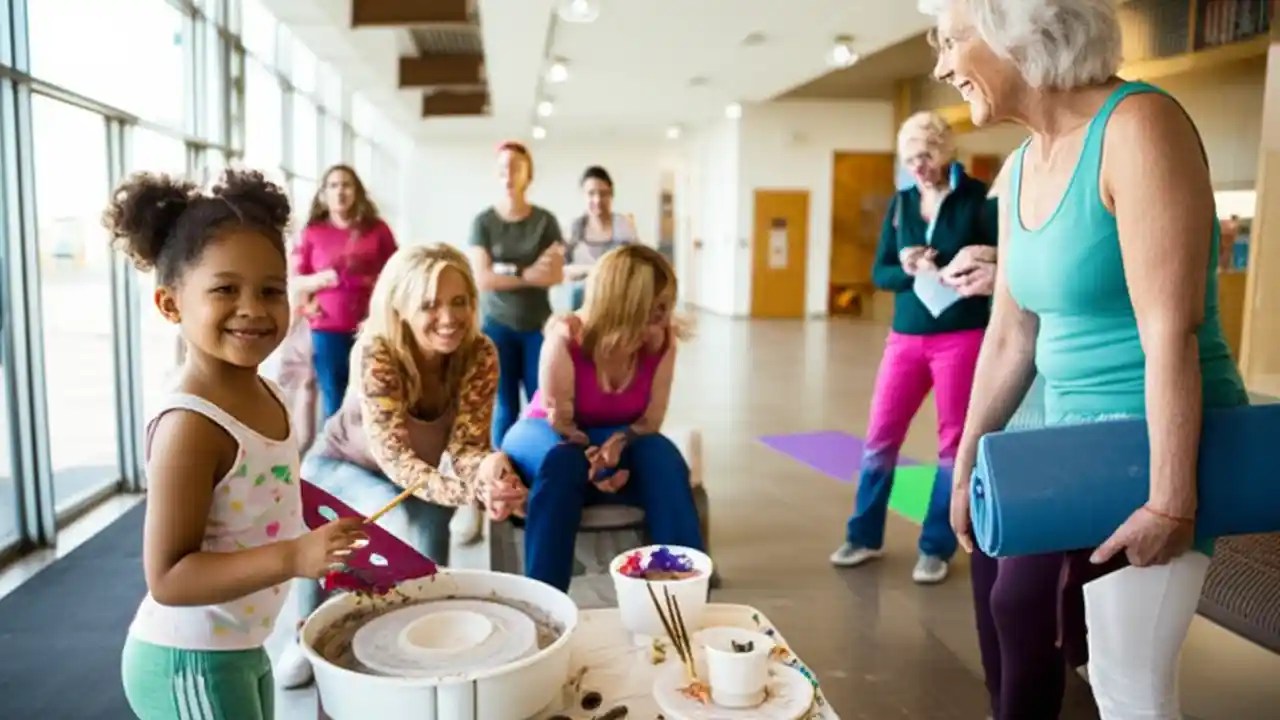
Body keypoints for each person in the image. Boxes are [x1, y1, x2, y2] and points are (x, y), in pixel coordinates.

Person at [927, 1, 1249, 718]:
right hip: (1071, 444)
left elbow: (1171, 330)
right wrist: (967, 461)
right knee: (1017, 605)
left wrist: (1172, 500)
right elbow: (1011, 335)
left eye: (952, 41)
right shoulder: (1017, 169)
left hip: (1154, 444)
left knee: (1125, 676)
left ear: (1021, 31)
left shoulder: (1138, 126)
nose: (943, 66)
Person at [106, 169, 366, 720]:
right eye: (225, 289)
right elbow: (170, 577)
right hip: (189, 657)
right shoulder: (191, 425)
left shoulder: (269, 394)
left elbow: (265, 506)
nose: (253, 308)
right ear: (170, 304)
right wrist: (295, 557)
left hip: (243, 646)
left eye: (271, 290)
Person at [275, 243, 527, 688]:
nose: (448, 317)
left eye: (459, 302)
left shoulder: (480, 354)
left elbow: (467, 447)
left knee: (425, 576)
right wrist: (473, 492)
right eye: (430, 304)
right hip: (341, 466)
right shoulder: (377, 351)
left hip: (420, 480)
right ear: (401, 306)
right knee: (397, 524)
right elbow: (395, 459)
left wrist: (488, 471)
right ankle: (305, 635)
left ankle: (418, 650)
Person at [830, 111, 997, 585]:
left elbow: (1001, 257)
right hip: (905, 336)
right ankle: (862, 535)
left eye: (925, 156)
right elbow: (879, 273)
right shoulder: (901, 204)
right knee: (880, 435)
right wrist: (907, 266)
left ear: (944, 152)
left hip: (960, 335)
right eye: (909, 160)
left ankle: (936, 545)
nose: (918, 167)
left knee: (951, 443)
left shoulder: (975, 199)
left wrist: (972, 263)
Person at [499, 245, 704, 592]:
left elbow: (649, 422)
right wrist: (604, 466)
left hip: (616, 433)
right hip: (549, 431)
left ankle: (684, 589)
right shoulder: (567, 335)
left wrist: (620, 445)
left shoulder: (662, 339)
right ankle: (545, 600)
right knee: (563, 463)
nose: (663, 318)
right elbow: (560, 422)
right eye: (653, 309)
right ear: (623, 304)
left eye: (666, 306)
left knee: (663, 457)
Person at [468, 141, 566, 447]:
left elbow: (554, 274)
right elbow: (482, 278)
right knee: (504, 407)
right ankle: (503, 471)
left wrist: (505, 272)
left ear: (528, 174)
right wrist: (527, 273)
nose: (509, 174)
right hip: (496, 327)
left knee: (543, 403)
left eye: (516, 167)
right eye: (503, 168)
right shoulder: (483, 222)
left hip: (538, 327)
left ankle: (540, 462)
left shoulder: (545, 222)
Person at [293, 164, 398, 419]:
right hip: (327, 329)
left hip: (371, 326)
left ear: (358, 192)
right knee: (335, 399)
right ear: (324, 193)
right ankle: (336, 455)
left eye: (346, 185)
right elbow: (296, 279)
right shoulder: (312, 233)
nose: (340, 191)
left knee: (375, 396)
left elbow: (397, 273)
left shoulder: (378, 230)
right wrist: (315, 288)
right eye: (333, 185)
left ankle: (373, 454)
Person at [563, 166, 638, 309]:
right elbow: (564, 268)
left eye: (603, 194)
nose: (597, 200)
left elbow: (634, 267)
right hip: (582, 303)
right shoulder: (574, 228)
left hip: (617, 301)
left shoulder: (623, 226)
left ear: (611, 195)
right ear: (583, 195)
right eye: (591, 193)